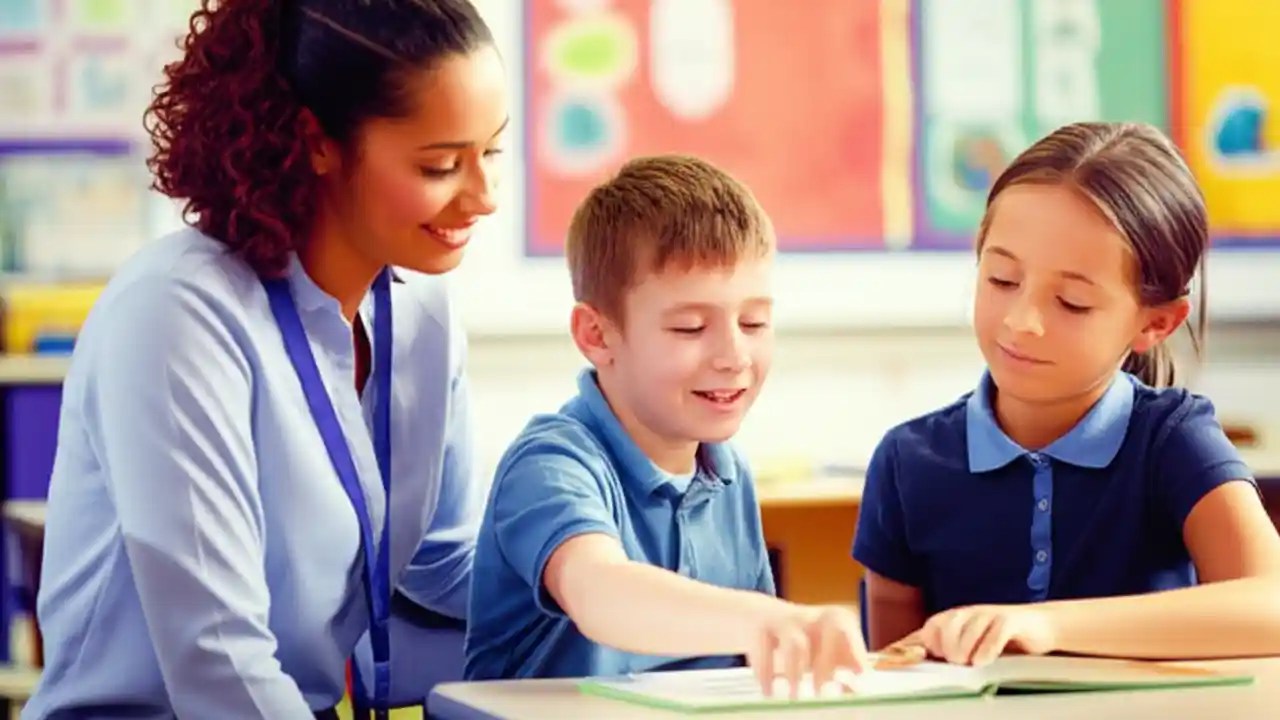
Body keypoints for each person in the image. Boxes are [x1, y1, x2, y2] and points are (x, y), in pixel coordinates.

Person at [24, 1, 508, 717]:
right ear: (316, 142)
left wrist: (599, 583)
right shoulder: (177, 315)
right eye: (440, 165)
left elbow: (446, 570)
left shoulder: (421, 316)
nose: (485, 198)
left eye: (492, 152)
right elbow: (219, 660)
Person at [854, 122, 1280, 667]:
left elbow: (1270, 605)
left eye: (1073, 302)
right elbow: (894, 673)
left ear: (1156, 323)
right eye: (1002, 279)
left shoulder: (1171, 441)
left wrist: (1045, 625)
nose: (1022, 321)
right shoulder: (907, 462)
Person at [464, 155, 869, 699]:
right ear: (596, 335)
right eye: (690, 327)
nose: (733, 356)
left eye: (754, 322)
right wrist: (771, 619)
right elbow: (600, 593)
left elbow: (748, 671)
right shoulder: (551, 464)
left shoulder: (727, 472)